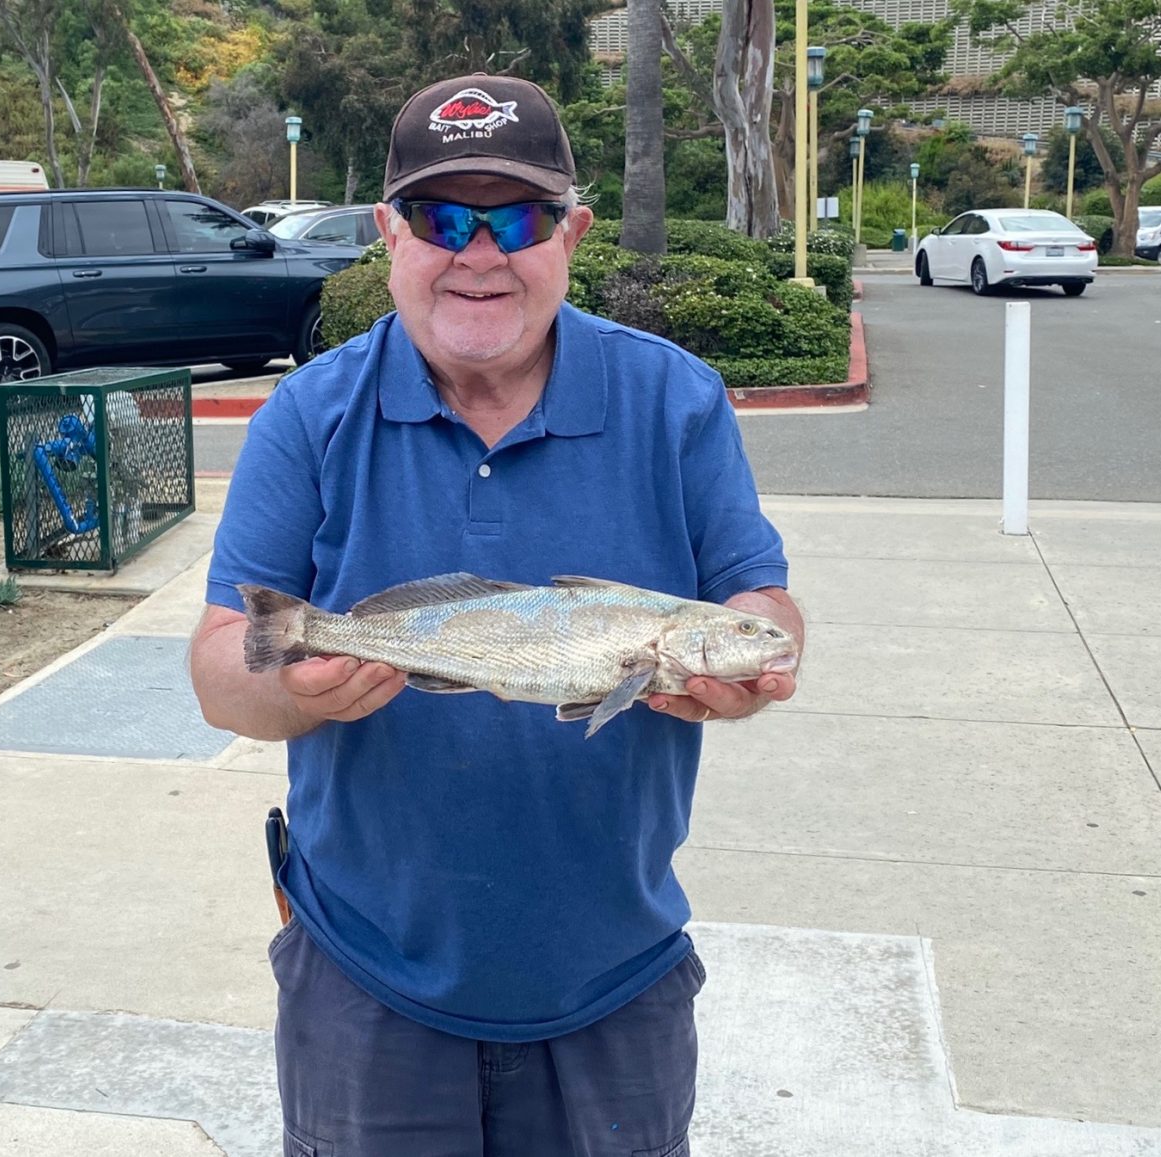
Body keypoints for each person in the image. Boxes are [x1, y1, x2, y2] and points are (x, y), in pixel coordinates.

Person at [189, 72, 804, 1157]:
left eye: (516, 216)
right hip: (366, 978)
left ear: (572, 232)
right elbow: (219, 672)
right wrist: (294, 687)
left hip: (618, 973)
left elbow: (757, 594)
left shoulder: (676, 399)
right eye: (442, 218)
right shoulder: (311, 413)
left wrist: (744, 660)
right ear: (389, 234)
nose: (480, 252)